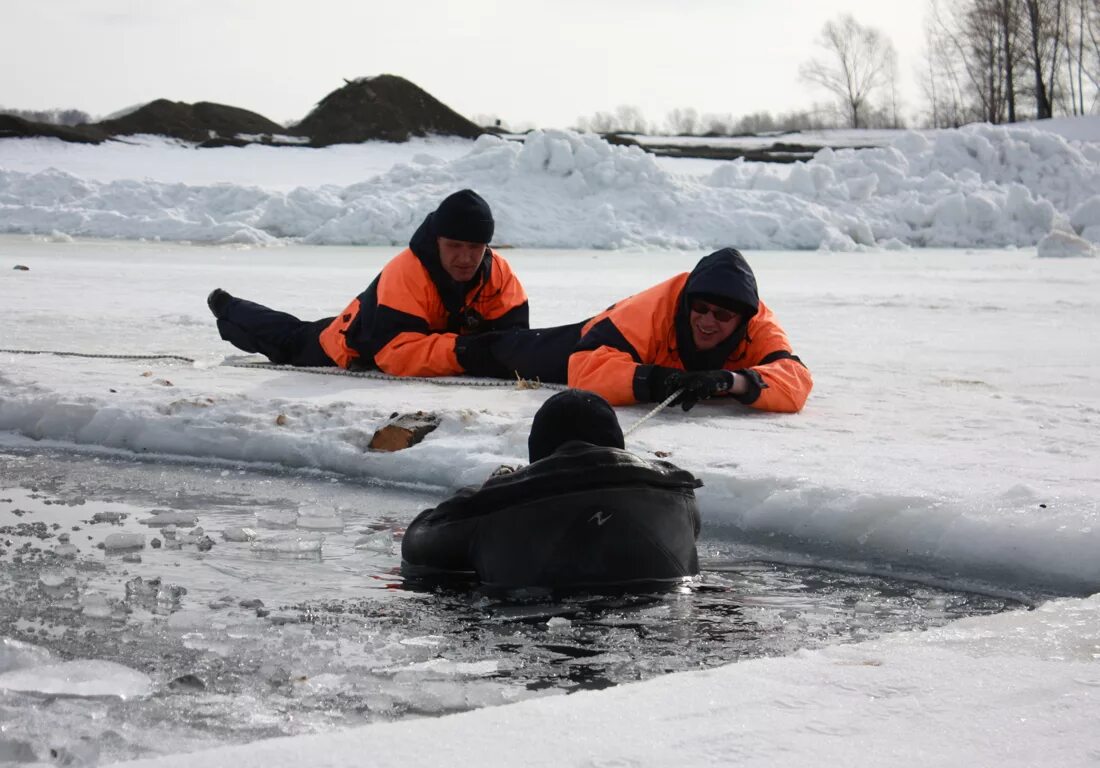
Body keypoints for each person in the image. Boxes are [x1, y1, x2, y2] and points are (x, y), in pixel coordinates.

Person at [207, 189, 529, 377]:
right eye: (455, 246)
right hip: (347, 342)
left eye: (475, 248)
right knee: (286, 342)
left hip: (414, 333)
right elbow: (394, 353)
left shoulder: (498, 273)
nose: (465, 258)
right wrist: (468, 351)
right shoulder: (408, 271)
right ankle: (231, 310)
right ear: (437, 240)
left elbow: (514, 338)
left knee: (294, 331)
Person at [400, 389, 702, 588]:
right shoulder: (678, 494)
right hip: (662, 626)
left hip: (539, 630)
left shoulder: (500, 504)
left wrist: (484, 490)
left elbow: (417, 545)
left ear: (538, 453)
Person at [567, 247, 813, 412]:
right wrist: (658, 382)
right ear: (687, 304)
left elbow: (795, 379)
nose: (707, 321)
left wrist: (731, 381)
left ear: (742, 320)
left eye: (722, 315)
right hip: (582, 339)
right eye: (700, 308)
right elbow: (584, 368)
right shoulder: (654, 309)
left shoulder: (758, 324)